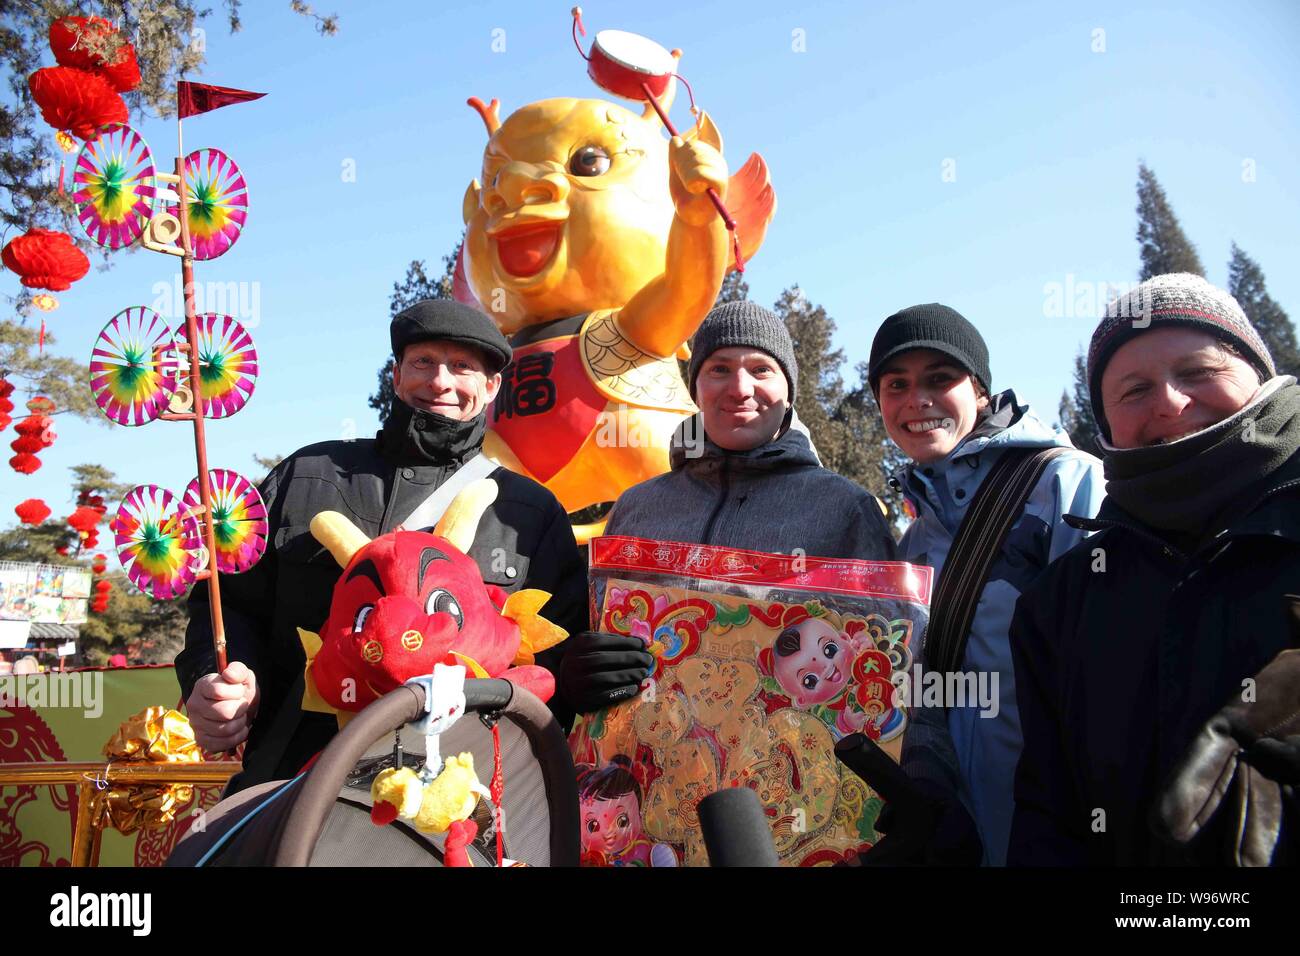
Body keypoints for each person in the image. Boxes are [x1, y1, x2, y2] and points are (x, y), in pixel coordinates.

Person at [176, 299, 588, 792]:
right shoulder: (306, 476)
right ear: (396, 375)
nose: (440, 381)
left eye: (462, 367)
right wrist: (216, 678)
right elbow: (229, 606)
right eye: (423, 362)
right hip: (294, 782)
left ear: (491, 386)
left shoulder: (530, 512)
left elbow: (554, 659)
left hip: (456, 797)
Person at [1008, 273, 1300, 866]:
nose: (1169, 399)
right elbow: (1049, 819)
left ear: (1260, 376)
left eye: (1197, 372)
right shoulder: (1060, 604)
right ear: (1107, 423)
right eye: (1134, 390)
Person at [558, 299, 897, 715]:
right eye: (719, 369)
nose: (740, 388)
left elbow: (878, 665)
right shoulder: (638, 507)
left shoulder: (845, 509)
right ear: (695, 387)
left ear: (788, 390)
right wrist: (578, 670)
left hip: (782, 768)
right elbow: (596, 626)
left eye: (761, 369)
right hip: (642, 755)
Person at [866, 303, 1105, 866]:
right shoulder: (915, 538)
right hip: (957, 831)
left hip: (1057, 826)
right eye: (895, 384)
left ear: (978, 391)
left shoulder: (1065, 482)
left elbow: (1107, 666)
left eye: (939, 379)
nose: (916, 399)